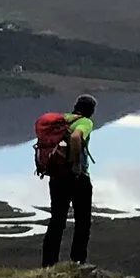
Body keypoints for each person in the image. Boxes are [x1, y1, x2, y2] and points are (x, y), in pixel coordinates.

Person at [40, 94, 98, 268]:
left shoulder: (63, 120)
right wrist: (76, 165)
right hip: (77, 178)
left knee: (57, 220)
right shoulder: (85, 122)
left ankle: (48, 263)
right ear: (91, 111)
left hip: (57, 177)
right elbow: (75, 137)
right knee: (83, 220)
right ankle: (78, 261)